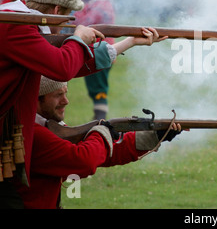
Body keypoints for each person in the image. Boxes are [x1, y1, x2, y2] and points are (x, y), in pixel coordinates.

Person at [0, 0, 163, 208]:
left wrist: (129, 42)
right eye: (65, 16)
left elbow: (66, 64)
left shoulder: (16, 22)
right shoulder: (17, 26)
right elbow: (61, 67)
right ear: (57, 10)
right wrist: (77, 38)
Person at [15, 76, 182, 209]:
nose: (66, 101)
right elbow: (83, 160)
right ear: (37, 98)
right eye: (58, 95)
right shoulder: (33, 132)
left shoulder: (45, 125)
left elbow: (103, 152)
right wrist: (101, 132)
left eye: (65, 93)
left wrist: (154, 136)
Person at [73, 0, 116, 120]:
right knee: (95, 85)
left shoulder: (102, 2)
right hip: (94, 48)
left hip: (100, 48)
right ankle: (98, 118)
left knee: (98, 86)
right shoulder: (94, 1)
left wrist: (75, 11)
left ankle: (99, 119)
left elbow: (85, 22)